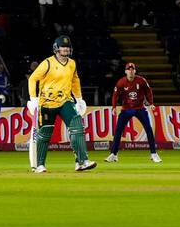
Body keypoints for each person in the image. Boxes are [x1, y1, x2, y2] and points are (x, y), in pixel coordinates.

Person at [27, 35, 95, 172]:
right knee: (45, 134)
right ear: (56, 48)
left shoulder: (72, 63)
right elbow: (33, 79)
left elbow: (75, 81)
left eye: (67, 47)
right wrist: (33, 98)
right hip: (47, 102)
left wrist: (79, 98)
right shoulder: (47, 63)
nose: (65, 49)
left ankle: (82, 161)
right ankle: (40, 164)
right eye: (63, 47)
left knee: (77, 126)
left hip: (65, 101)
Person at [106, 62, 160, 163]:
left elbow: (149, 91)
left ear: (135, 71)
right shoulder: (121, 82)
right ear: (125, 71)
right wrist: (113, 107)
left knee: (148, 129)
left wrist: (151, 103)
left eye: (132, 69)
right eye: (128, 69)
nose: (130, 71)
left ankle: (154, 154)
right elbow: (115, 95)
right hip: (126, 109)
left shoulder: (141, 80)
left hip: (140, 108)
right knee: (118, 131)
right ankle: (113, 154)